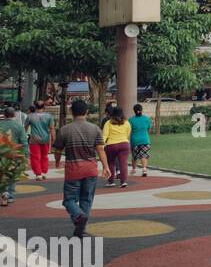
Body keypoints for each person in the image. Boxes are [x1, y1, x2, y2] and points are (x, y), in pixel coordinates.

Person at [53, 100, 110, 237]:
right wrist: (106, 167)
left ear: (71, 112)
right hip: (91, 170)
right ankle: (81, 228)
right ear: (87, 112)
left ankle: (78, 215)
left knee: (69, 200)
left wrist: (57, 161)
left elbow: (58, 150)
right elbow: (100, 149)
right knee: (86, 199)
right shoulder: (95, 129)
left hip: (73, 170)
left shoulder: (64, 130)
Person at [0, 106, 27, 206]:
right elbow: (24, 142)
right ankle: (10, 195)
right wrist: (26, 155)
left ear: (4, 115)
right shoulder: (18, 126)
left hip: (1, 154)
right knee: (12, 175)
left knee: (2, 175)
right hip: (14, 154)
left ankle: (4, 192)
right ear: (14, 114)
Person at [102, 105, 132, 188]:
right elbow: (128, 133)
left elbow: (104, 135)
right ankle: (123, 181)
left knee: (111, 163)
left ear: (112, 113)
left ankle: (111, 181)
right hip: (124, 144)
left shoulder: (108, 123)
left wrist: (102, 145)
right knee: (123, 163)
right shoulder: (126, 122)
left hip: (111, 145)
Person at [24, 100, 53, 181]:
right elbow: (52, 128)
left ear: (35, 107)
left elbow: (25, 128)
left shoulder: (30, 116)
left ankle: (38, 174)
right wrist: (54, 138)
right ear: (44, 107)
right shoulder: (49, 116)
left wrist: (23, 138)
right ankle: (43, 172)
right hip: (46, 139)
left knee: (35, 156)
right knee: (44, 156)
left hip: (34, 140)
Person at [128, 104, 152, 178]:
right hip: (145, 140)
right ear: (142, 110)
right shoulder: (147, 119)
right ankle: (144, 169)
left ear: (134, 111)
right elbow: (149, 130)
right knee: (143, 156)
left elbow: (129, 131)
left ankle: (134, 169)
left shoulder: (131, 120)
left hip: (134, 141)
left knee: (134, 156)